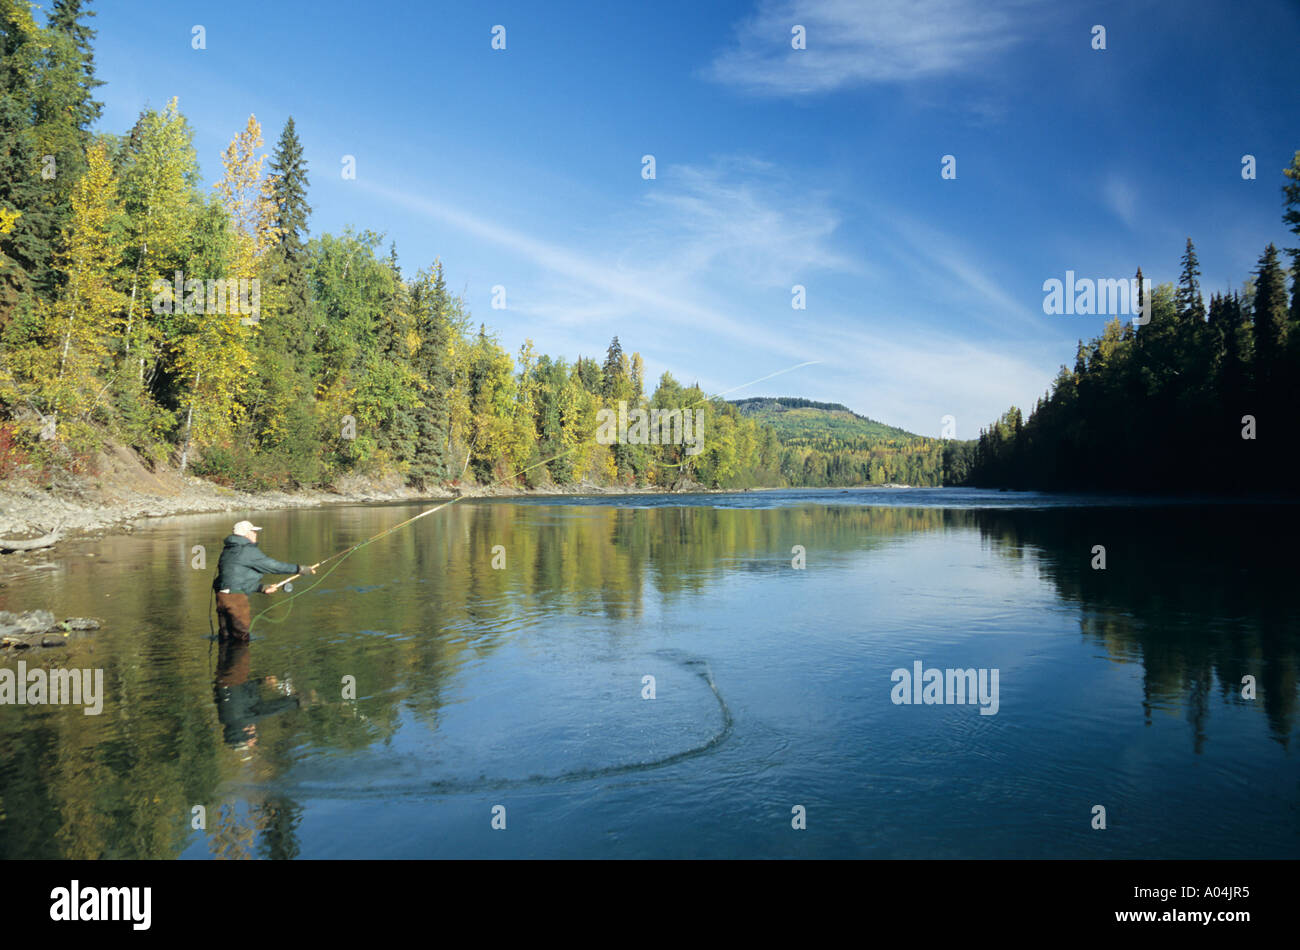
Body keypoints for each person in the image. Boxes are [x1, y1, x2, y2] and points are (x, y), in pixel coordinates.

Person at [212, 520, 315, 640]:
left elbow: (233, 581)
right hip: (236, 601)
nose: (256, 534)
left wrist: (261, 588)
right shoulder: (247, 550)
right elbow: (273, 566)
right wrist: (299, 569)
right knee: (241, 639)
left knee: (226, 638)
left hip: (222, 598)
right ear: (246, 534)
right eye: (253, 531)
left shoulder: (228, 550)